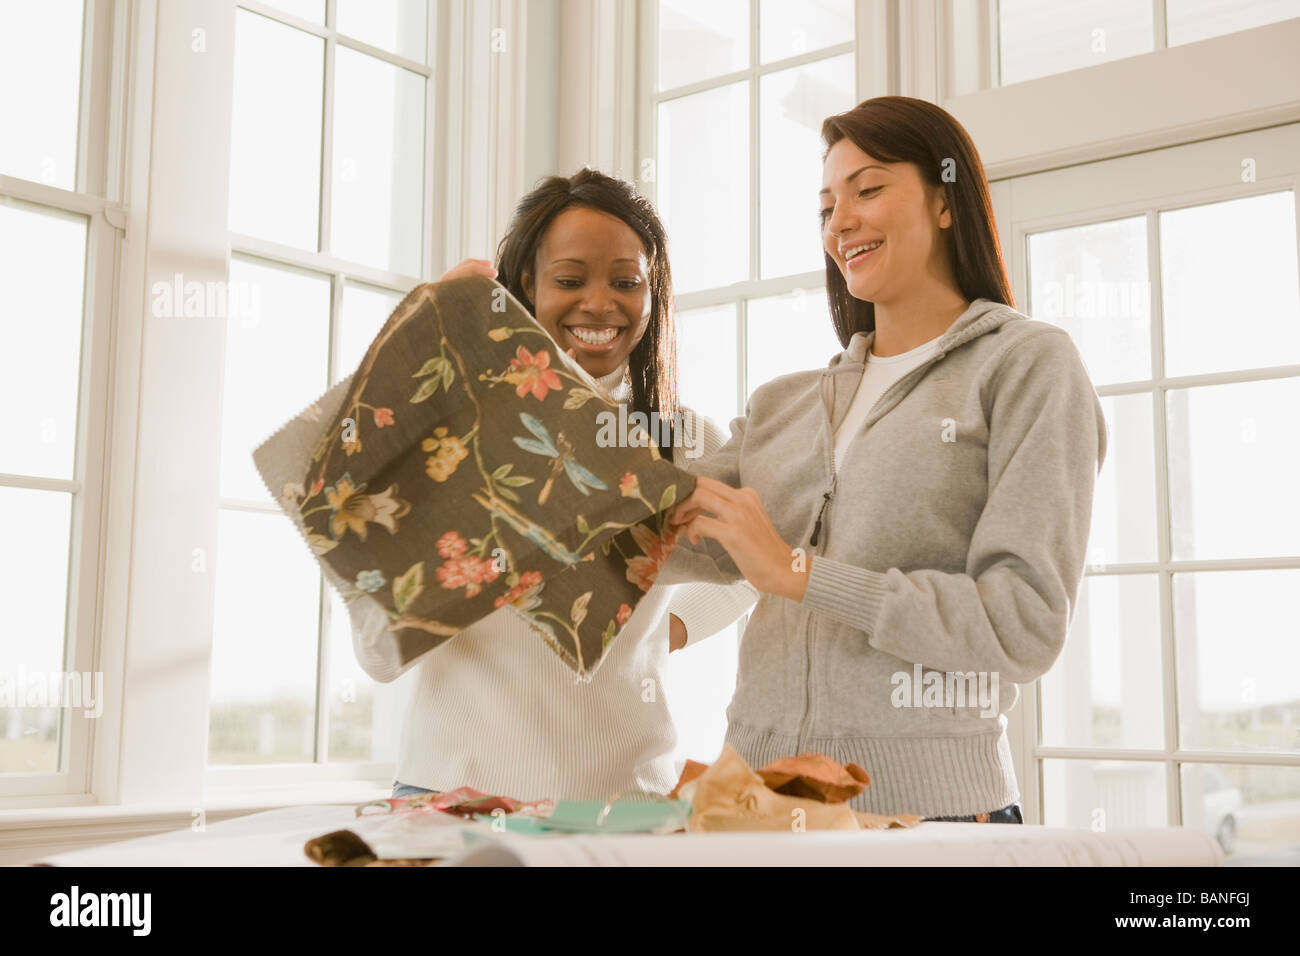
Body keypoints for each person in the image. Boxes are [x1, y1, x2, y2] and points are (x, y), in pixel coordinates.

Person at [661, 96, 1109, 822]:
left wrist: (800, 573)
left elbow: (1023, 621)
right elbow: (636, 519)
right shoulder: (785, 403)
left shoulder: (1027, 366)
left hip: (931, 819)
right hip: (760, 808)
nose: (839, 222)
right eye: (825, 207)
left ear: (945, 201)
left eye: (867, 190)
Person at [348, 168, 756, 801]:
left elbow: (758, 557)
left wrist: (672, 627)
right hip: (456, 797)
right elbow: (378, 653)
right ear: (526, 286)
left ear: (653, 295)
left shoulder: (681, 440)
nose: (600, 304)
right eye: (569, 280)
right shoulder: (450, 430)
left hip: (629, 802)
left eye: (626, 282)